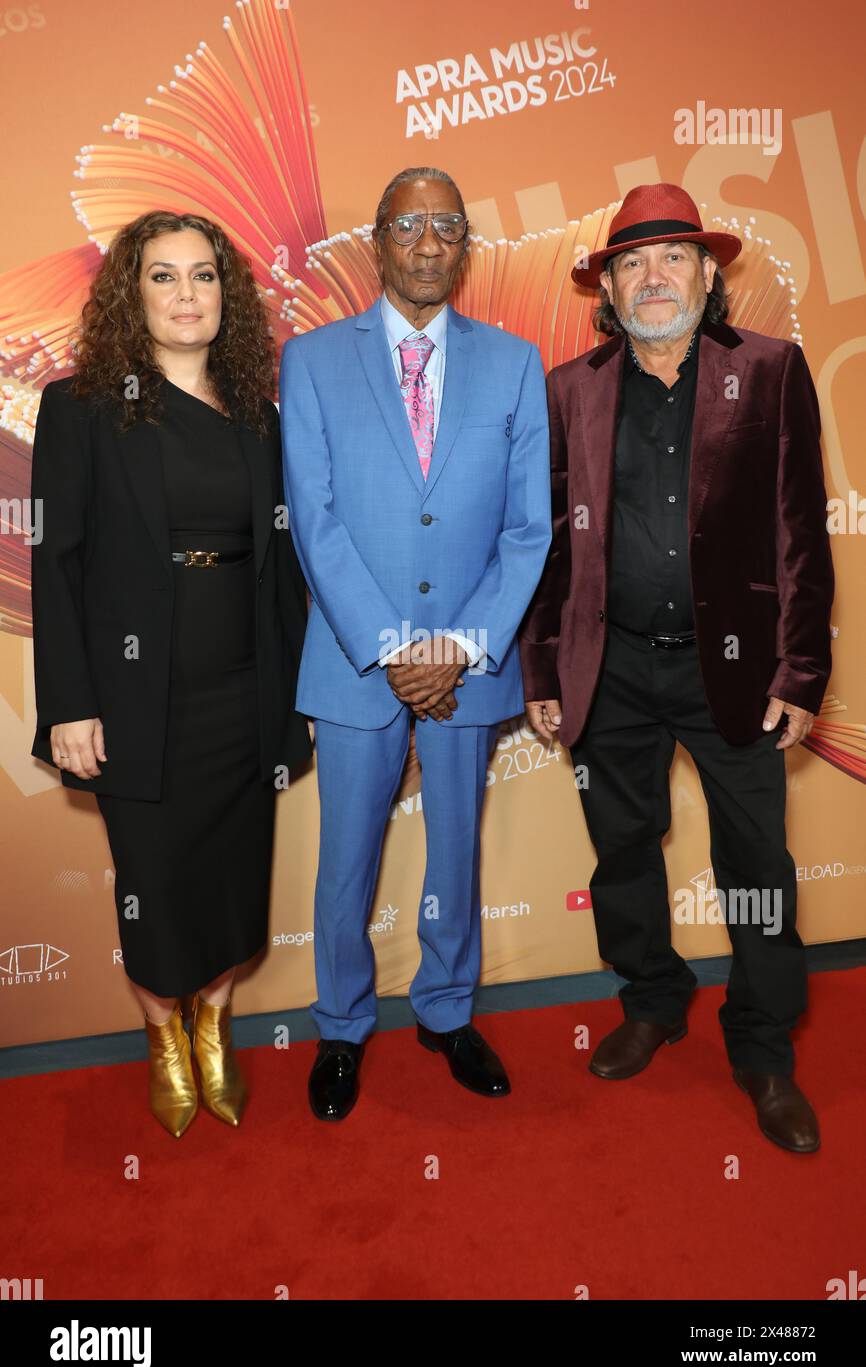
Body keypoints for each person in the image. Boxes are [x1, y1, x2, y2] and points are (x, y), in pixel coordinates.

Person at [519, 183, 834, 1154]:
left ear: (707, 272)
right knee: (621, 850)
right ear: (606, 288)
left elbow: (796, 534)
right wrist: (541, 667)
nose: (652, 276)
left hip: (731, 672)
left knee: (753, 867)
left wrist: (798, 671)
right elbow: (545, 546)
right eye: (630, 262)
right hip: (606, 669)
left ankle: (761, 1045)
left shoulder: (772, 371)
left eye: (671, 257)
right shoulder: (567, 389)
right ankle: (651, 1000)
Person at [29, 210, 311, 1138]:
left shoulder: (261, 415)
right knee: (151, 880)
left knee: (235, 875)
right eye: (164, 277)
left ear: (227, 295)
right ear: (131, 292)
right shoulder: (81, 408)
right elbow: (57, 565)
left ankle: (214, 1028)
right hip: (135, 696)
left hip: (247, 686)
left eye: (203, 276)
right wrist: (70, 703)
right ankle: (163, 1040)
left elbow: (286, 567)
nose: (187, 295)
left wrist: (297, 695)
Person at [280, 166, 551, 1120]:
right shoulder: (311, 362)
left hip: (466, 666)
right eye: (410, 225)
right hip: (358, 661)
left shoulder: (516, 364)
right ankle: (343, 1026)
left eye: (448, 225)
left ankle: (445, 1010)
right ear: (378, 241)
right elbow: (314, 523)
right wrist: (395, 646)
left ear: (466, 243)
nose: (429, 242)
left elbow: (528, 529)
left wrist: (459, 647)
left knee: (454, 855)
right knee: (346, 858)